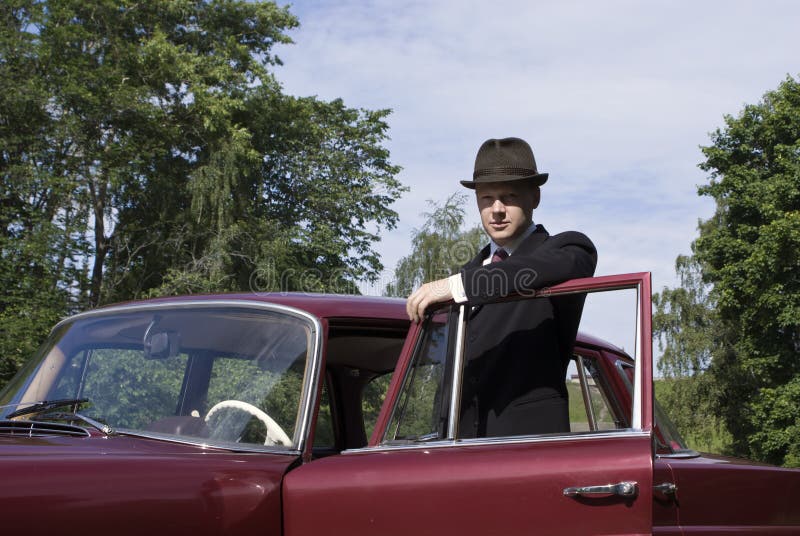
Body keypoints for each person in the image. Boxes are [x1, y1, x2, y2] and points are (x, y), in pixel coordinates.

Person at [406, 137, 597, 437]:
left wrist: (458, 286)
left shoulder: (568, 250)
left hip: (527, 449)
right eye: (486, 198)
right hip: (459, 450)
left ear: (535, 197)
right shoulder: (468, 271)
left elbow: (531, 271)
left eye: (509, 196)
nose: (496, 209)